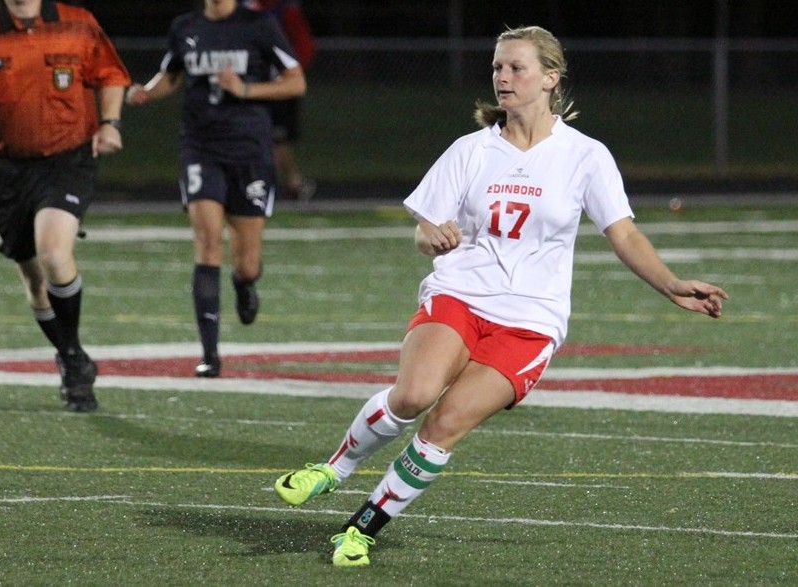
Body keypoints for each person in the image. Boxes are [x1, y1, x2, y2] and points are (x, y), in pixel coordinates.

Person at [272, 25, 729, 567]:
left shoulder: (585, 156)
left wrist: (671, 283)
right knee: (415, 396)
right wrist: (431, 237)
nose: (503, 78)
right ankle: (334, 469)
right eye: (497, 68)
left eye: (516, 68)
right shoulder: (471, 150)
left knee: (448, 423)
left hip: (531, 321)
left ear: (550, 79)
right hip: (460, 294)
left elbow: (624, 233)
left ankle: (363, 527)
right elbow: (425, 229)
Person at [125, 0, 306, 377]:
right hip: (200, 147)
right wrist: (146, 92)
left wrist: (245, 89)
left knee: (247, 263)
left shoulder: (258, 25)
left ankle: (244, 284)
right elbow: (171, 76)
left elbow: (295, 81)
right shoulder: (185, 26)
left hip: (249, 150)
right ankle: (210, 353)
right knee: (207, 243)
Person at [0, 0, 130, 412]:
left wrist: (110, 124)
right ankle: (71, 356)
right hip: (7, 169)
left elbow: (111, 75)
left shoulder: (78, 23)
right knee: (34, 281)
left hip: (67, 160)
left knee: (55, 255)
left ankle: (72, 359)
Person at [246, 0, 316, 201]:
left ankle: (274, 183)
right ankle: (285, 182)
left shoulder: (284, 11)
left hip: (277, 86)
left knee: (276, 138)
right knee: (264, 137)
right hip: (252, 86)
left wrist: (291, 73)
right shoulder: (243, 10)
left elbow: (304, 46)